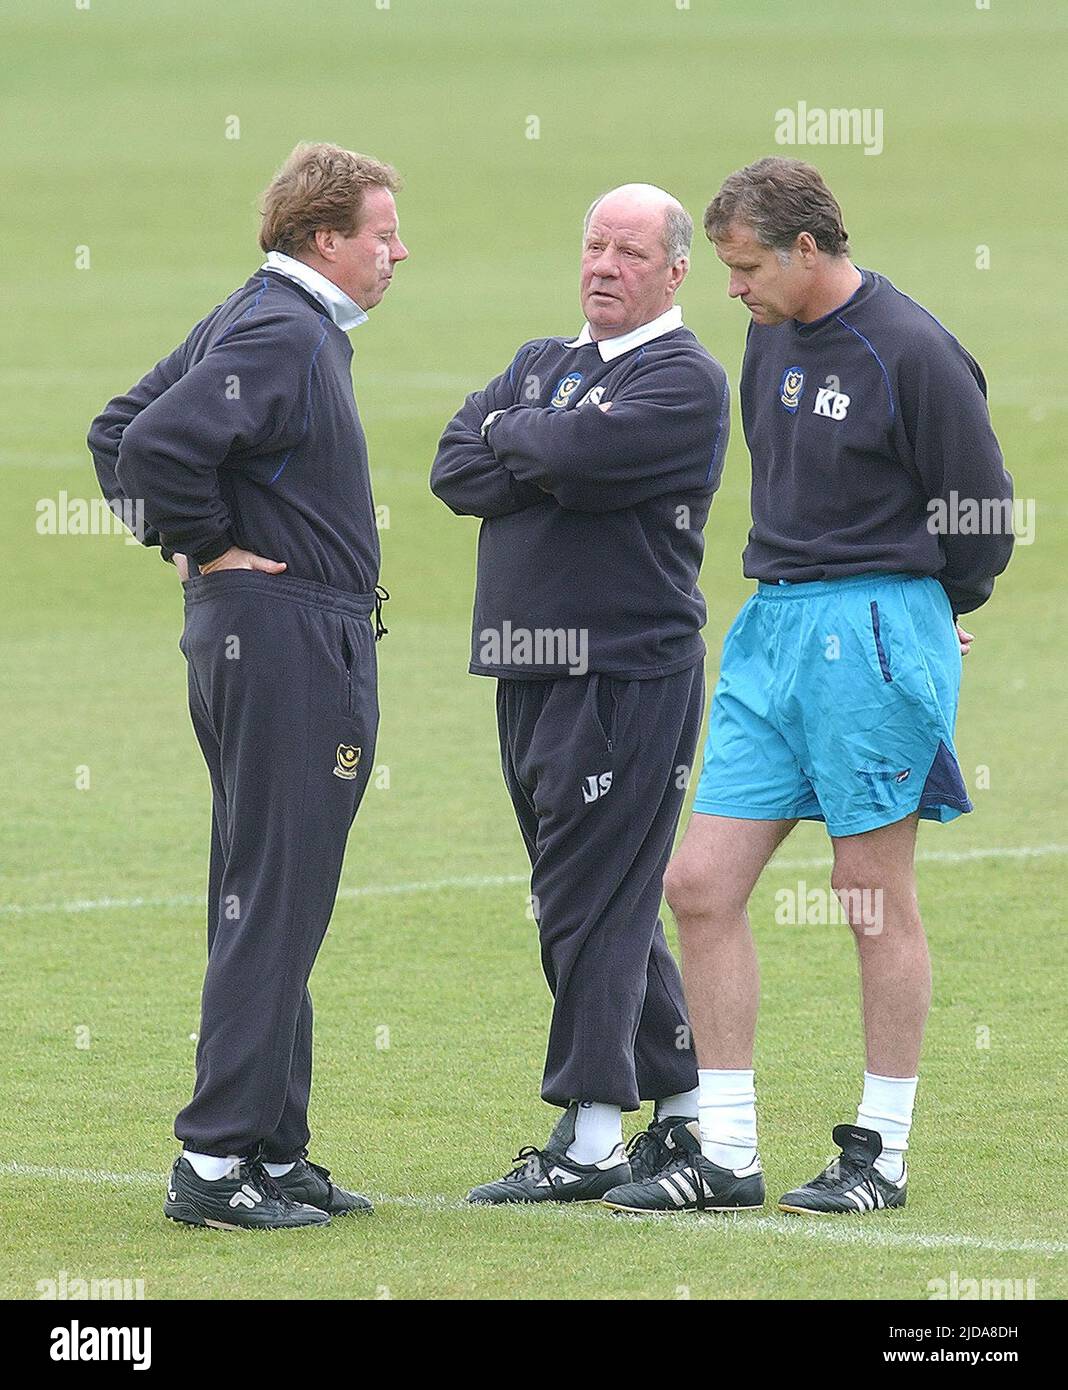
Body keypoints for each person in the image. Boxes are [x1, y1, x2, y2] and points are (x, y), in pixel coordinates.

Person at [602, 157, 1013, 1217]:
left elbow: (983, 520)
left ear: (810, 250)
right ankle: (725, 1150)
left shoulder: (912, 349)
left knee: (868, 893)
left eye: (745, 267)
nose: (731, 287)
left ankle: (880, 1149)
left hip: (869, 630)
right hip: (771, 626)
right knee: (697, 883)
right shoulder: (768, 329)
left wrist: (923, 614)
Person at [87, 142, 408, 1229]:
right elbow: (150, 449)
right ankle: (216, 1163)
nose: (397, 251)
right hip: (287, 638)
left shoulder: (259, 312)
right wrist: (207, 545)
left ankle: (273, 1150)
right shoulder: (280, 328)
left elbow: (115, 430)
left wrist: (187, 554)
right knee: (277, 896)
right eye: (382, 232)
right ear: (327, 239)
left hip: (263, 635)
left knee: (272, 888)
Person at [431, 183, 731, 1204]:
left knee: (585, 898)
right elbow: (454, 466)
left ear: (676, 271)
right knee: (598, 896)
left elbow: (578, 453)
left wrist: (532, 441)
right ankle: (682, 1108)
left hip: (622, 670)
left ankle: (592, 1129)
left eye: (630, 252)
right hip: (524, 666)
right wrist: (540, 443)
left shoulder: (685, 380)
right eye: (594, 245)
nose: (603, 265)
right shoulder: (541, 362)